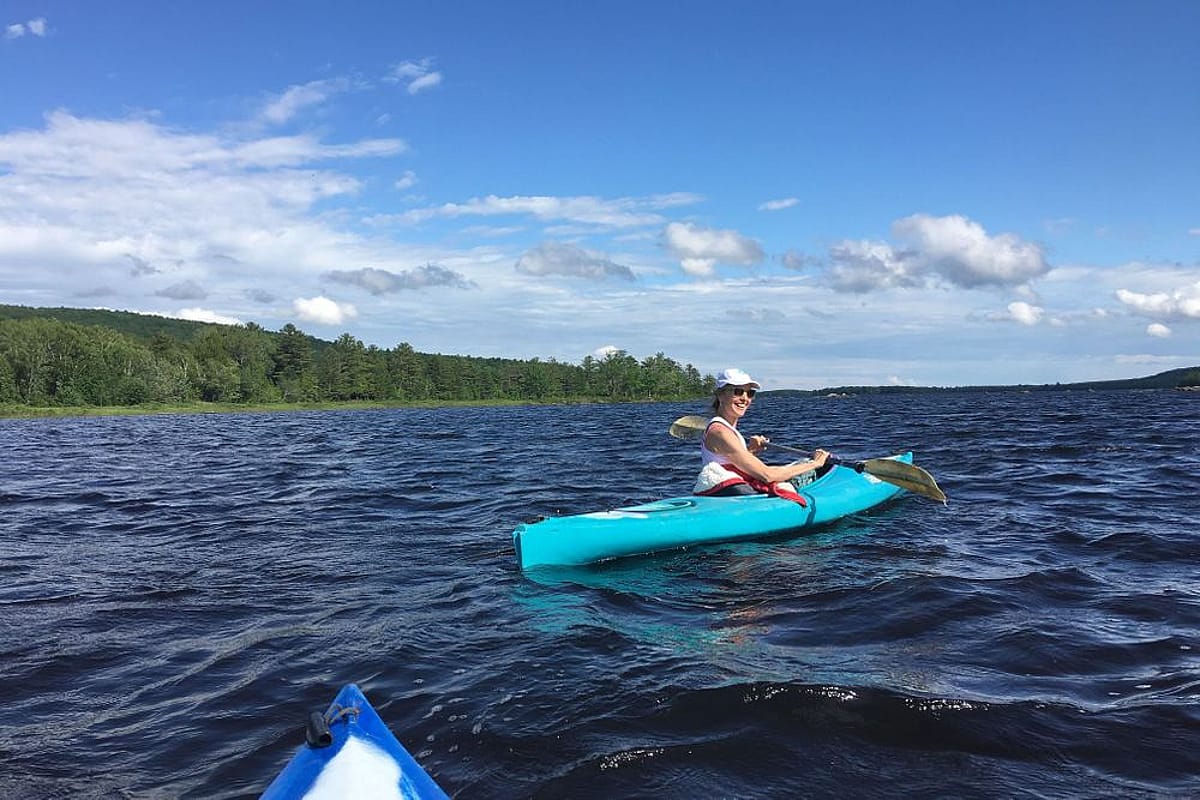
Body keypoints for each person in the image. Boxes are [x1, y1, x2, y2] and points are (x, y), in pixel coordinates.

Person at [693, 368, 830, 500]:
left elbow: (727, 461)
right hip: (731, 496)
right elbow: (767, 475)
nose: (745, 398)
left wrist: (750, 451)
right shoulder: (720, 432)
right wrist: (815, 463)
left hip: (731, 493)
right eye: (738, 391)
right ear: (720, 395)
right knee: (806, 468)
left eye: (750, 393)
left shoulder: (724, 429)